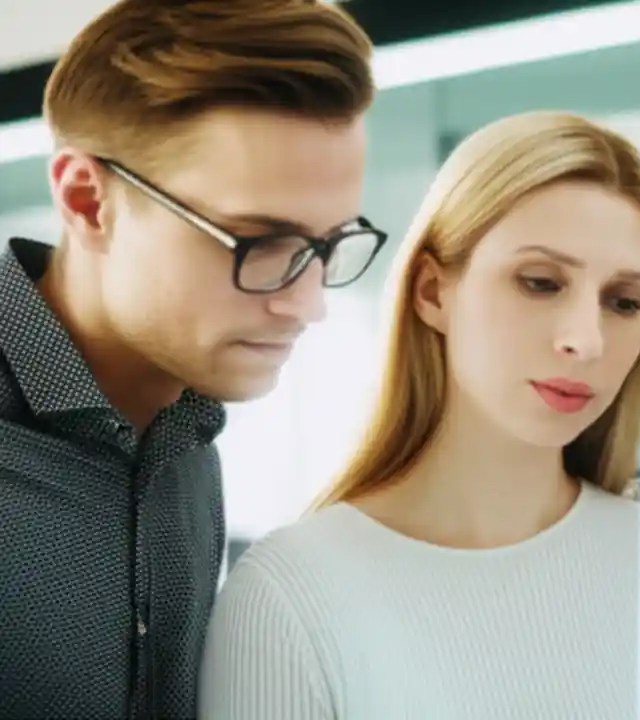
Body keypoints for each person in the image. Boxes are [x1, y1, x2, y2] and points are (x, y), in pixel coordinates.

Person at [198, 111, 640, 719]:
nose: (587, 340)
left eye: (624, 302)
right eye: (540, 283)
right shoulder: (290, 595)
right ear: (431, 291)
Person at [0, 1, 380, 717]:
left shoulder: (187, 440)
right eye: (257, 242)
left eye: (325, 246)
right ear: (88, 201)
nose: (307, 304)